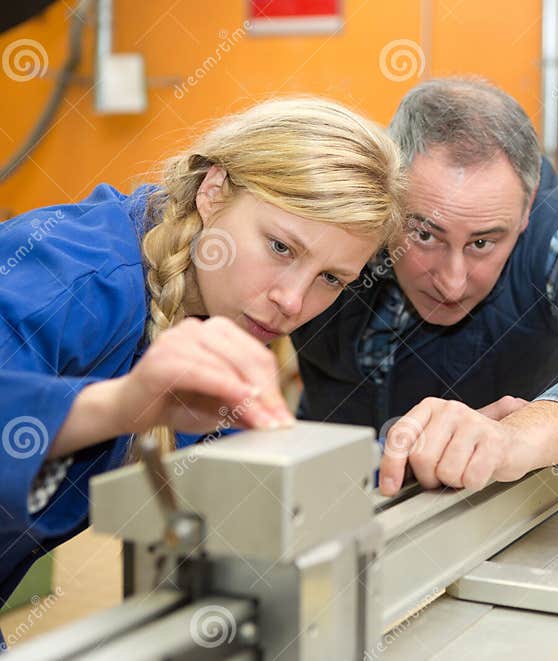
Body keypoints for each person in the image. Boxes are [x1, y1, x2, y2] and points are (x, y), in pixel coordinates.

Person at [0, 98, 405, 616]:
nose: (293, 302)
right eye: (281, 248)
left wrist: (409, 454)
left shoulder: (205, 316)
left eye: (331, 279)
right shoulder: (71, 273)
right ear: (213, 193)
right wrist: (122, 404)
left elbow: (236, 465)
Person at [292, 78, 558, 497]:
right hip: (318, 498)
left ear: (525, 210)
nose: (451, 283)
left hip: (495, 513)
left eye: (482, 243)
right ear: (390, 192)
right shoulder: (340, 199)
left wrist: (521, 435)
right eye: (425, 235)